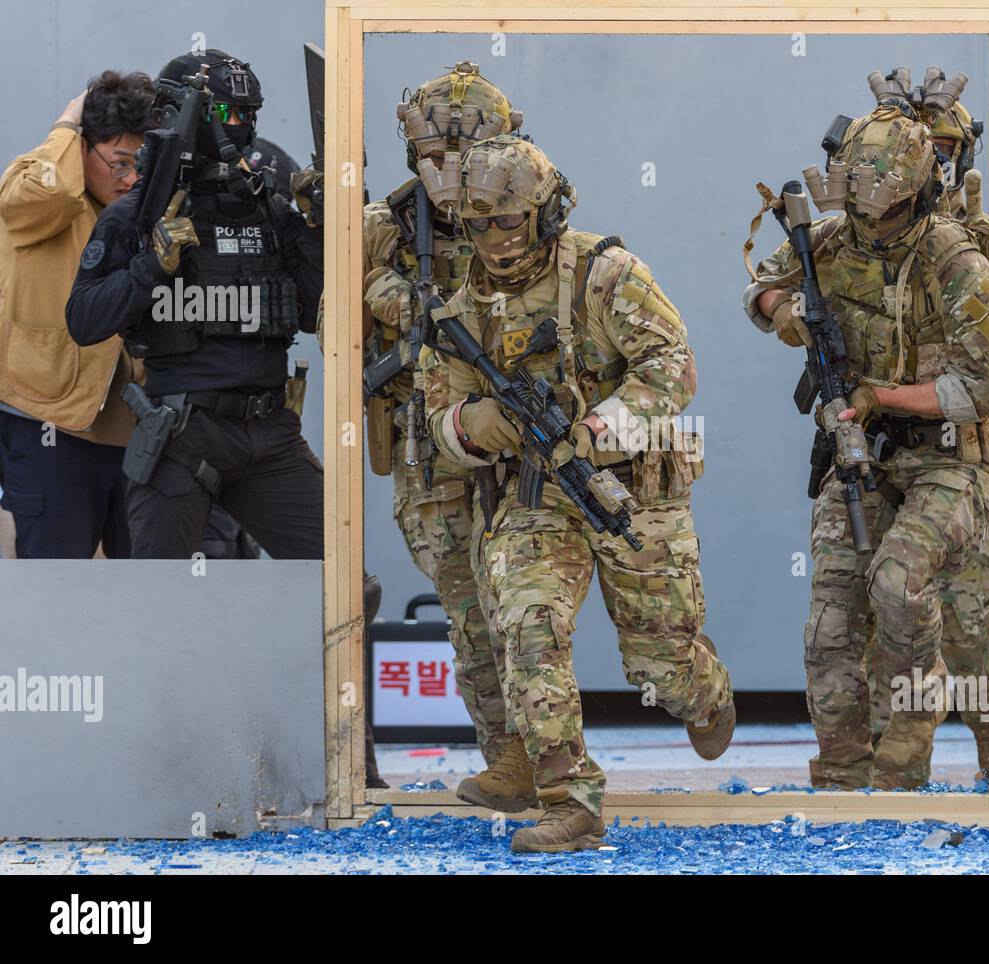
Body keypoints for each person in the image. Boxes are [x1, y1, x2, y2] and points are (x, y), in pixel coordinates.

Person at [423, 134, 735, 852]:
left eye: (508, 222)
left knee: (660, 666)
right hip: (536, 496)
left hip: (634, 492)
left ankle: (704, 686)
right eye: (477, 226)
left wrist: (599, 428)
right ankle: (570, 801)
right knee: (526, 622)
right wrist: (483, 424)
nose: (495, 242)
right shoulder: (460, 304)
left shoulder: (605, 273)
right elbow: (440, 417)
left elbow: (672, 366)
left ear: (545, 213)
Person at [744, 101, 989, 790]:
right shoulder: (827, 239)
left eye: (881, 215)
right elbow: (759, 289)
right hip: (856, 454)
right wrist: (788, 312)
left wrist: (879, 395)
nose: (867, 228)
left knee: (899, 582)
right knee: (829, 625)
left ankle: (904, 757)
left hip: (947, 458)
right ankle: (843, 774)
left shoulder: (955, 261)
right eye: (857, 211)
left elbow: (988, 384)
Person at [65, 49, 324, 560]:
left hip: (269, 434)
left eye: (252, 113)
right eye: (231, 113)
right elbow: (84, 320)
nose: (244, 125)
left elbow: (316, 314)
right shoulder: (136, 217)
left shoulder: (268, 210)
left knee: (345, 582)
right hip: (182, 436)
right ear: (191, 114)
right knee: (164, 603)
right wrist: (152, 266)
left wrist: (319, 229)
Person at [352, 62, 528, 809]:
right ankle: (512, 761)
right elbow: (335, 330)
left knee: (524, 606)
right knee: (468, 611)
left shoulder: (532, 217)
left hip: (516, 445)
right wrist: (382, 294)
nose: (450, 175)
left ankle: (559, 749)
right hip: (430, 455)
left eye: (466, 159)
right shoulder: (382, 231)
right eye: (433, 160)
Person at [860, 71, 989, 782]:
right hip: (878, 458)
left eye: (943, 148)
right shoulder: (867, 238)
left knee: (973, 632)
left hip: (961, 458)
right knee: (881, 613)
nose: (932, 162)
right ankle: (894, 772)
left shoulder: (983, 244)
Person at [0, 71, 153, 558]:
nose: (130, 179)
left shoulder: (140, 210)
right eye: (119, 163)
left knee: (144, 593)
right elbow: (51, 192)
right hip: (48, 421)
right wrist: (67, 124)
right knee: (56, 585)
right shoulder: (42, 202)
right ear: (81, 147)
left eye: (141, 164)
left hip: (135, 430)